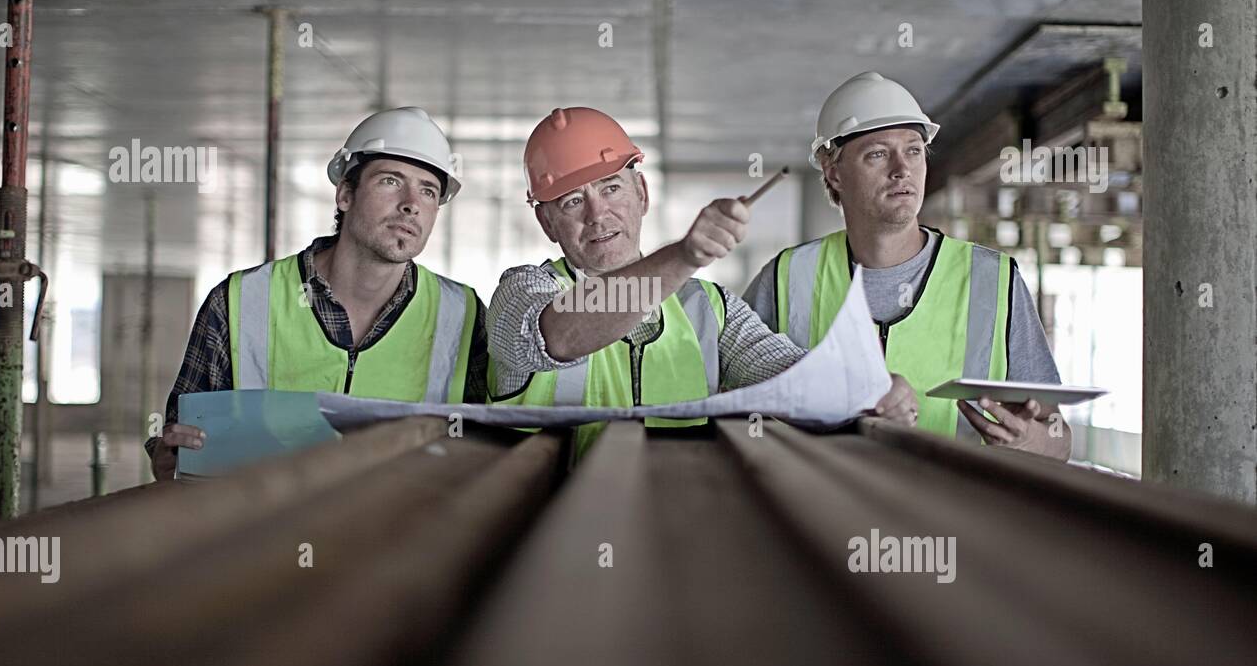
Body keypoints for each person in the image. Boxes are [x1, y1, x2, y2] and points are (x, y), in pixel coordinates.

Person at [487, 106, 916, 458]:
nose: (598, 215)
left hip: (680, 527)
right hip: (550, 543)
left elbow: (786, 372)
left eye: (611, 188)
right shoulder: (522, 293)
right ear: (546, 222)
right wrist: (684, 255)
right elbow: (557, 337)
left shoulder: (708, 307)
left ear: (642, 194)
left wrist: (865, 390)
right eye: (573, 201)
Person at [148, 107, 487, 479]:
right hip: (267, 529)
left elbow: (481, 449)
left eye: (428, 190)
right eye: (391, 181)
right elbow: (180, 444)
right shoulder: (241, 301)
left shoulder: (463, 314)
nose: (411, 203)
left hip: (403, 530)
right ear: (345, 194)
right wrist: (170, 457)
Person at [744, 72, 1070, 459]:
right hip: (822, 509)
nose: (902, 169)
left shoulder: (993, 280)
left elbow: (1058, 438)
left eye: (914, 150)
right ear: (834, 172)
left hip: (949, 510)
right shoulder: (786, 277)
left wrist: (1026, 439)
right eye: (878, 154)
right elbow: (732, 404)